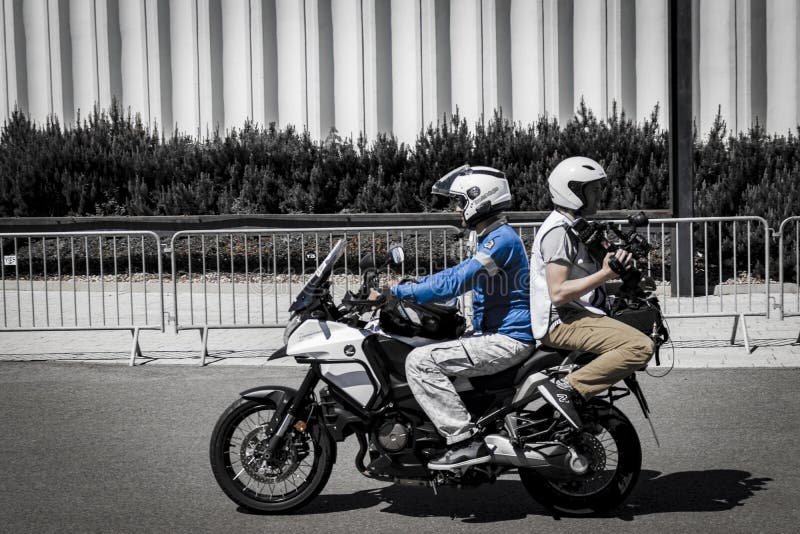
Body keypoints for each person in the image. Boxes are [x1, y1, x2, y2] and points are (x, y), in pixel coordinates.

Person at [374, 164, 534, 470]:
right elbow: (455, 280)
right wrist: (414, 285)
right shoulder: (492, 237)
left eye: (461, 201)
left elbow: (459, 279)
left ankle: (463, 441)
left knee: (421, 362)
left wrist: (403, 290)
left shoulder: (501, 240)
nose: (457, 208)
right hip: (492, 334)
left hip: (507, 339)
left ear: (480, 198)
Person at [530, 156, 654, 429]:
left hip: (575, 314)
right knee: (639, 347)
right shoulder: (558, 233)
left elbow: (580, 283)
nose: (601, 195)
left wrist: (619, 284)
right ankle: (567, 389)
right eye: (595, 189)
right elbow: (559, 292)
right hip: (561, 322)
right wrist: (605, 274)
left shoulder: (573, 227)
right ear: (574, 190)